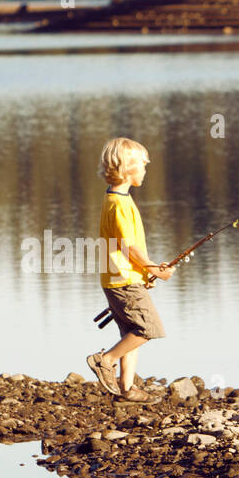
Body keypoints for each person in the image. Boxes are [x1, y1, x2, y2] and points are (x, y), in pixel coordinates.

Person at [85, 137, 174, 403]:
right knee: (148, 329)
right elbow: (128, 246)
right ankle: (105, 360)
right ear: (127, 169)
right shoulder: (119, 204)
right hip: (124, 280)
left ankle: (126, 389)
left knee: (131, 333)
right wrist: (153, 269)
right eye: (142, 166)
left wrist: (147, 270)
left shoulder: (116, 198)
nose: (146, 170)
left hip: (120, 277)